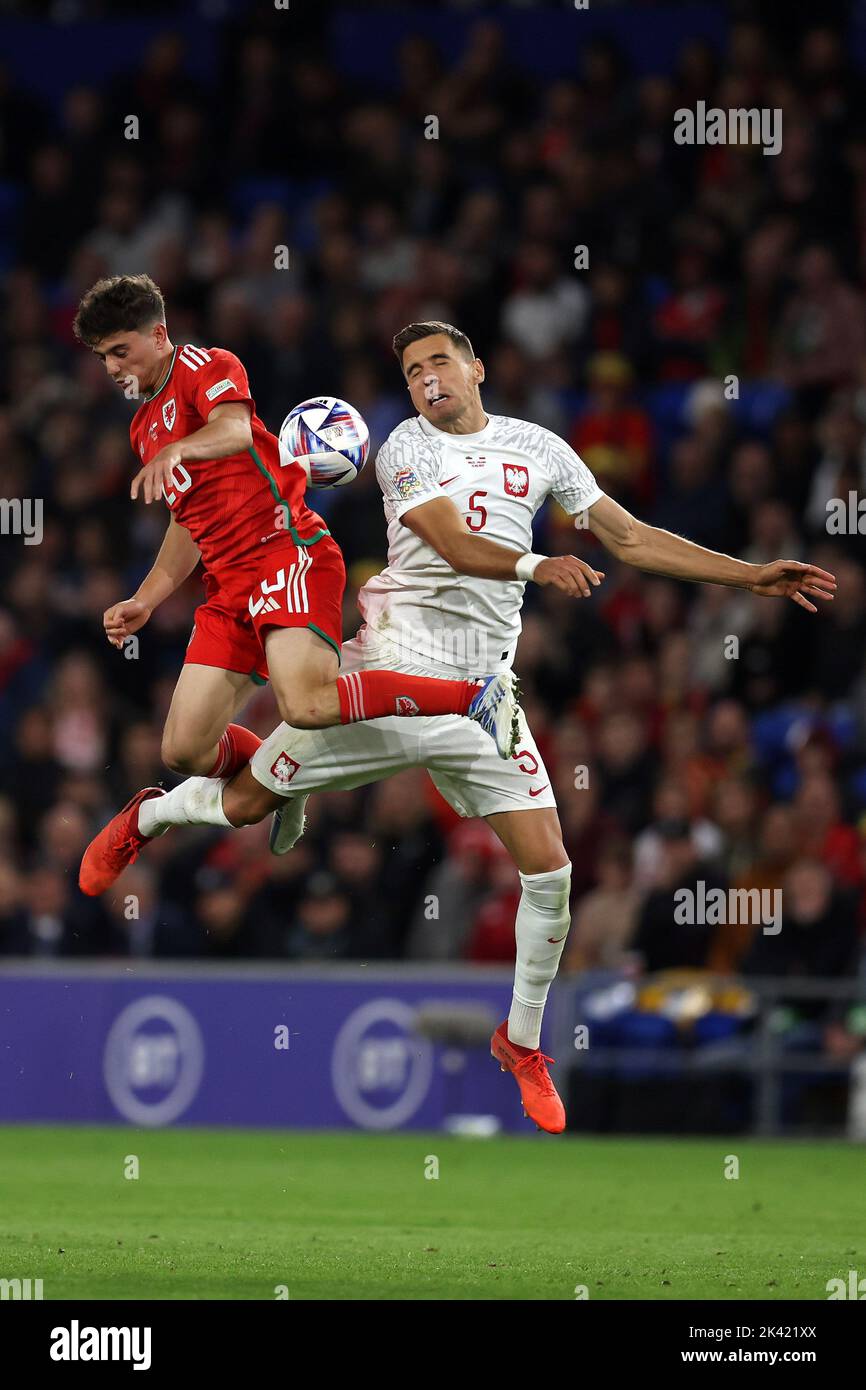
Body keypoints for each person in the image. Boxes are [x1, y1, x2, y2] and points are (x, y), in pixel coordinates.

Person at [80, 319, 837, 1134]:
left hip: (486, 690)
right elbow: (448, 539)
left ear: (476, 368)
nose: (426, 379)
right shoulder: (405, 445)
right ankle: (152, 812)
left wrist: (749, 575)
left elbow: (628, 537)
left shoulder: (540, 448)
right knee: (241, 805)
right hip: (393, 666)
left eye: (439, 362)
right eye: (411, 371)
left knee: (551, 872)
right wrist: (534, 564)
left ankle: (520, 1042)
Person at [73, 277, 520, 790]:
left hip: (285, 553)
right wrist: (146, 599)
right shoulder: (142, 427)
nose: (112, 368)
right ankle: (282, 784)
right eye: (103, 356)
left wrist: (179, 449)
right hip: (227, 589)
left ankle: (475, 695)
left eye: (119, 351)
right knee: (184, 751)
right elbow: (187, 521)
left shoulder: (207, 366)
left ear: (157, 335)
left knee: (307, 703)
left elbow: (234, 429)